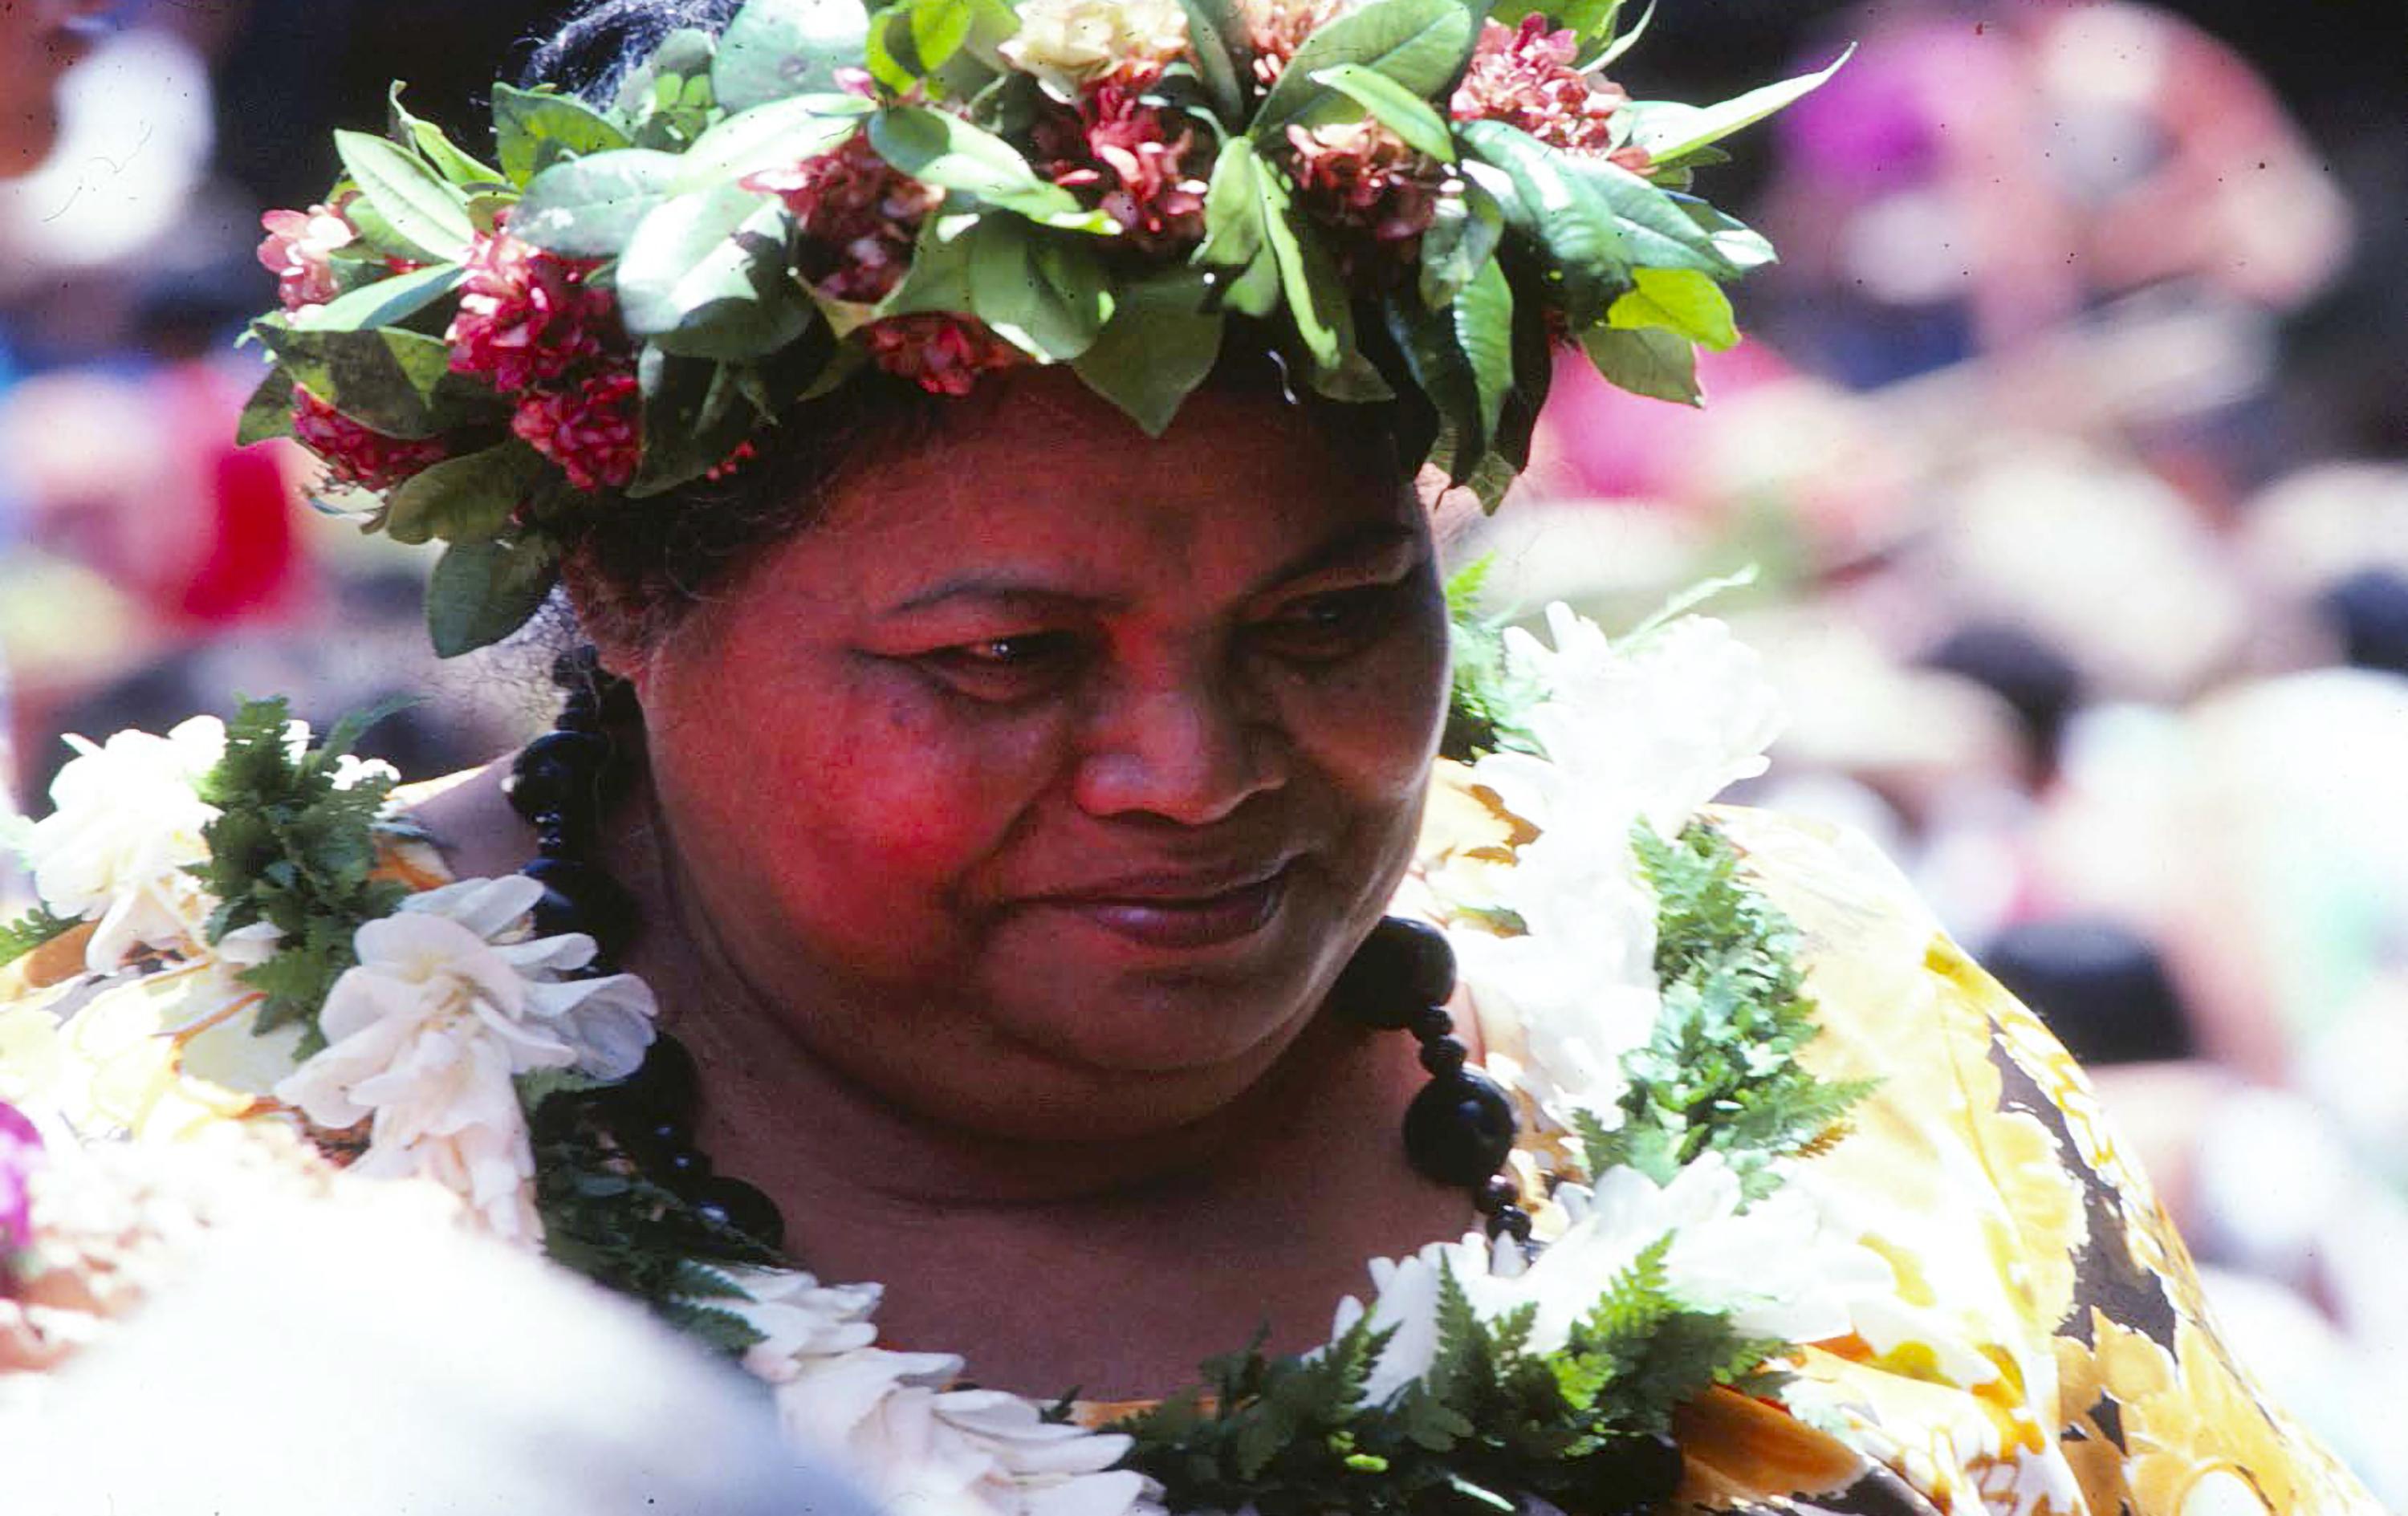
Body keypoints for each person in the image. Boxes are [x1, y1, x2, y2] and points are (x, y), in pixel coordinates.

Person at [0, 1, 2378, 1511]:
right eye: (1009, 656)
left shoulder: (1823, 1030)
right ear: (621, 601)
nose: (1193, 765)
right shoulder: (165, 1118)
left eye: (1335, 618)